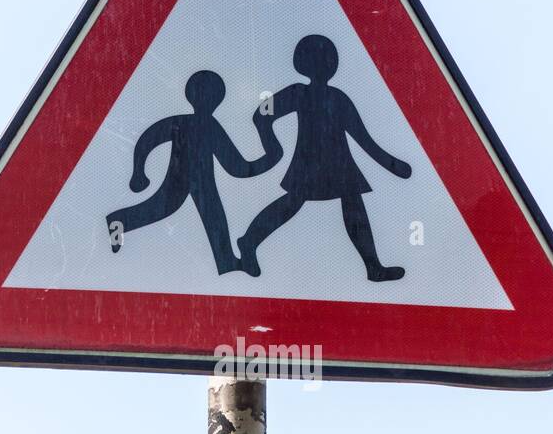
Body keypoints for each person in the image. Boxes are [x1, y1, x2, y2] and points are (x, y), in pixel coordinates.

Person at [237, 35, 412, 281]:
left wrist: (394, 165)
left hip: (339, 164)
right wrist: (272, 147)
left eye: (331, 60)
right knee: (292, 203)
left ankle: (373, 267)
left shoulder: (338, 98)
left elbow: (363, 139)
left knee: (351, 205)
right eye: (322, 59)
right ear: (304, 63)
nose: (329, 64)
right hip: (309, 162)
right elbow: (261, 115)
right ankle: (249, 241)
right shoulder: (298, 93)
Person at [106, 70, 280, 275]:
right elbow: (149, 139)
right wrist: (137, 172)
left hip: (203, 181)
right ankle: (120, 221)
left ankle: (226, 262)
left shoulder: (198, 124)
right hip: (181, 178)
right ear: (218, 99)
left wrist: (268, 161)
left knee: (213, 217)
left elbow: (236, 166)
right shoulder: (194, 124)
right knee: (165, 208)